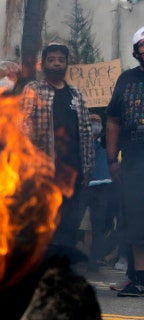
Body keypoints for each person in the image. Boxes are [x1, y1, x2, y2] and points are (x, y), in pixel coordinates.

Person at [20, 42, 94, 252]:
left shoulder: (76, 94)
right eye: (51, 60)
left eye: (61, 60)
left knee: (69, 226)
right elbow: (23, 126)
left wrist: (87, 170)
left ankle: (62, 270)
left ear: (67, 64)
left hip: (73, 173)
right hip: (44, 173)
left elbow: (86, 134)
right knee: (44, 225)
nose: (56, 64)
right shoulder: (33, 90)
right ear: (43, 64)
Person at [105, 26, 144, 297]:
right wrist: (111, 159)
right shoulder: (126, 79)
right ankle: (139, 278)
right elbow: (114, 120)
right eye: (143, 44)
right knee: (137, 220)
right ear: (135, 51)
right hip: (134, 160)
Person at [78, 114, 113, 272]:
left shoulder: (104, 143)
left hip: (102, 187)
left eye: (98, 122)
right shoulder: (79, 143)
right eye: (92, 122)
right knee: (74, 222)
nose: (95, 125)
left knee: (99, 226)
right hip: (84, 186)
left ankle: (94, 261)